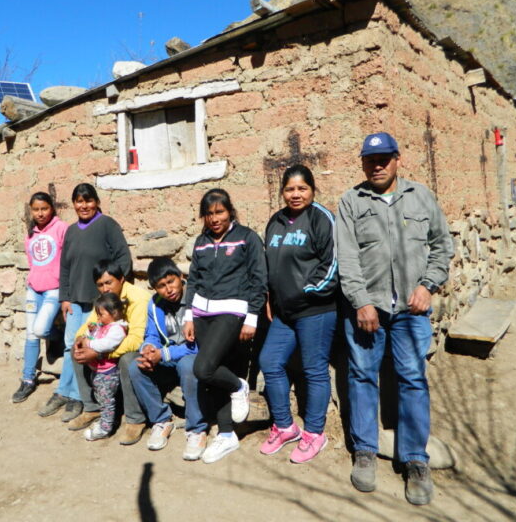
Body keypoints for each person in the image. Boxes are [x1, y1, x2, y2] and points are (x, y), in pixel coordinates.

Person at [337, 132, 453, 506]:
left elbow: (441, 246)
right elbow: (348, 257)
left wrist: (428, 286)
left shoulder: (420, 196)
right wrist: (361, 301)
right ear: (362, 163)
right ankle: (366, 451)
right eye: (371, 159)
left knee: (413, 380)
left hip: (410, 309)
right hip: (368, 312)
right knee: (361, 377)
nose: (378, 165)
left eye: (384, 158)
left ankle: (416, 460)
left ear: (397, 159)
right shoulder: (351, 201)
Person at [259, 165, 339, 463]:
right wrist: (271, 296)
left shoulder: (321, 218)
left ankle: (315, 433)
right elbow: (271, 264)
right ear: (282, 191)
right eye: (290, 189)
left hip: (314, 310)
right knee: (270, 361)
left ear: (312, 189)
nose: (295, 194)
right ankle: (285, 426)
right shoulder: (276, 221)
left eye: (301, 188)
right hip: (283, 313)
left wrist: (302, 292)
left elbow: (332, 265)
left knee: (314, 369)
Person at [183, 188, 268, 464]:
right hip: (202, 314)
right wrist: (187, 315)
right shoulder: (201, 242)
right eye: (209, 214)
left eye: (219, 212)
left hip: (233, 311)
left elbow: (258, 279)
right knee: (214, 376)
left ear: (230, 211)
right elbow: (193, 280)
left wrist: (253, 316)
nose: (214, 218)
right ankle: (227, 434)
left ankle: (239, 386)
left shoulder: (246, 238)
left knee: (203, 368)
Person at [37, 184, 131, 422]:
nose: (84, 205)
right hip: (76, 300)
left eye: (88, 201)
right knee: (72, 345)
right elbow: (65, 266)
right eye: (79, 201)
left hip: (98, 302)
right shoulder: (71, 231)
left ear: (96, 202)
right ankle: (65, 392)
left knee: (93, 349)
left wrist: (112, 288)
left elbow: (123, 257)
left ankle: (79, 398)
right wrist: (65, 297)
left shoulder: (107, 225)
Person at [128, 257, 208, 460]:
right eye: (161, 286)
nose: (169, 289)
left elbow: (200, 343)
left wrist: (163, 354)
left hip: (194, 354)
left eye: (171, 282)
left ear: (180, 277)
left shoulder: (195, 297)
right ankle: (161, 420)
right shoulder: (155, 305)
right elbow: (152, 335)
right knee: (135, 366)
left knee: (188, 366)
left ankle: (196, 429)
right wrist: (148, 349)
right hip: (167, 355)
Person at [69, 260, 151, 445]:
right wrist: (81, 340)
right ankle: (92, 408)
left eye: (109, 282)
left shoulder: (138, 298)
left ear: (121, 280)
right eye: (100, 285)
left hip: (136, 348)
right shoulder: (104, 301)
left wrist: (100, 354)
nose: (105, 288)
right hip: (109, 345)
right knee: (77, 351)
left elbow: (137, 339)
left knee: (128, 360)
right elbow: (89, 324)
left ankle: (135, 419)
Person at [12, 192, 68, 404]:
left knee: (41, 329)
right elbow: (32, 261)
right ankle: (27, 379)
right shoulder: (31, 233)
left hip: (54, 288)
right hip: (34, 288)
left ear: (51, 208)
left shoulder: (61, 228)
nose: (40, 213)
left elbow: (68, 258)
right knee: (31, 335)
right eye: (36, 209)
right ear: (31, 210)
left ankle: (59, 337)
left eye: (44, 208)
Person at [77, 292, 129, 441]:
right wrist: (89, 333)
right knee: (101, 398)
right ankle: (105, 421)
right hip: (98, 371)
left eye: (101, 314)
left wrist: (89, 344)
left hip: (108, 373)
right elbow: (93, 336)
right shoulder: (103, 325)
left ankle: (105, 428)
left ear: (114, 313)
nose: (98, 318)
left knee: (107, 401)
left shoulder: (117, 329)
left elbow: (106, 344)